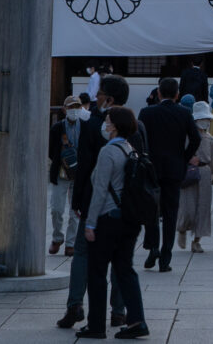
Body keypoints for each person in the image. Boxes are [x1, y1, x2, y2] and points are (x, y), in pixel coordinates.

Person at [59, 74, 135, 333]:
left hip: (94, 199)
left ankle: (75, 304)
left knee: (82, 252)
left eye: (99, 93)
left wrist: (78, 198)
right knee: (121, 258)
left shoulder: (92, 125)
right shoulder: (135, 125)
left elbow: (83, 166)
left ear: (109, 99)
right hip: (124, 204)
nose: (96, 97)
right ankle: (118, 311)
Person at [80, 105, 151, 341]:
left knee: (97, 272)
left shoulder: (108, 152)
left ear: (116, 126)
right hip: (129, 220)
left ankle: (96, 325)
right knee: (125, 270)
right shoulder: (130, 149)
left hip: (108, 219)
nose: (105, 124)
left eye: (108, 121)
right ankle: (137, 320)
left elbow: (100, 190)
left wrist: (90, 224)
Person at [138, 77, 197, 272]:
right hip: (174, 167)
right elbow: (195, 139)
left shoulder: (146, 113)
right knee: (171, 212)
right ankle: (166, 256)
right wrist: (184, 157)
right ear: (177, 94)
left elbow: (139, 139)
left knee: (150, 209)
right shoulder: (184, 113)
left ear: (159, 93)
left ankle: (153, 247)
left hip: (151, 168)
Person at [176, 100, 213, 254]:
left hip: (205, 171)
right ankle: (182, 228)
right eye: (202, 119)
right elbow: (180, 152)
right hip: (190, 171)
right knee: (188, 206)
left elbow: (212, 157)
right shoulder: (186, 135)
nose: (205, 122)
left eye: (207, 119)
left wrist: (212, 173)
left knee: (203, 208)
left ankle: (197, 240)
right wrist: (188, 159)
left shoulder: (210, 137)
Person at [50, 95, 85, 255]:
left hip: (79, 173)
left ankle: (71, 242)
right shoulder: (57, 128)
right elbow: (50, 150)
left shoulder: (85, 126)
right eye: (71, 107)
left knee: (75, 210)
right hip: (61, 172)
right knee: (56, 208)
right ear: (64, 109)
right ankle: (57, 237)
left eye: (77, 107)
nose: (74, 111)